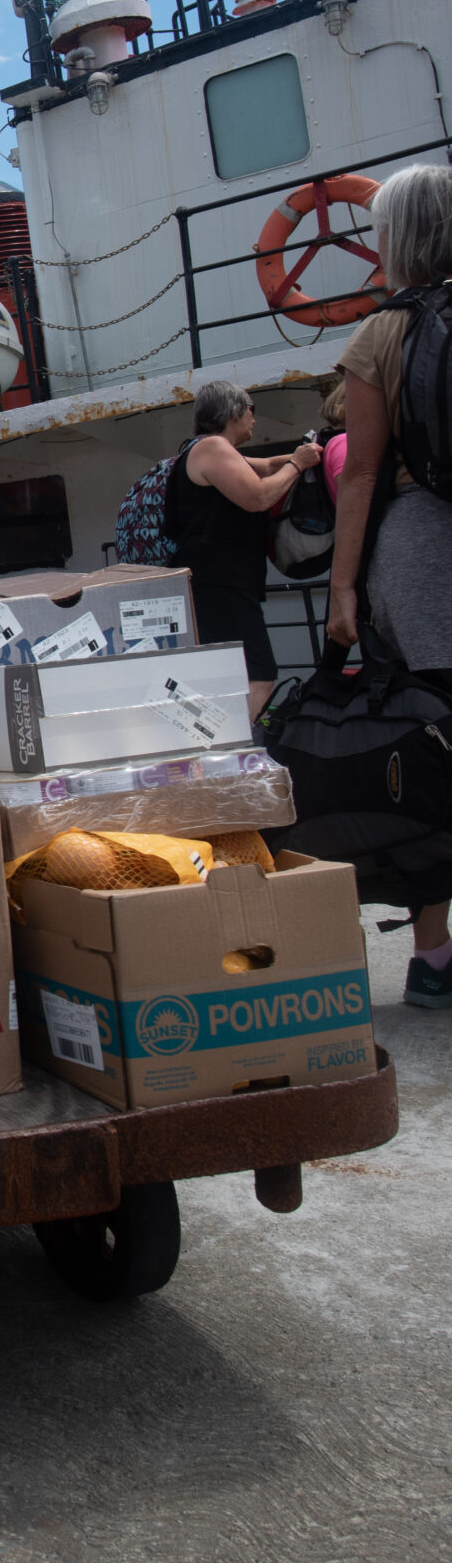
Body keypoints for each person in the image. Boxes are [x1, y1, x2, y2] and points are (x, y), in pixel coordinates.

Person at [327, 163, 452, 1007]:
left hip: (419, 552)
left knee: (431, 750)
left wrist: (343, 591)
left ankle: (435, 960)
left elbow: (361, 475)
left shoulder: (382, 335)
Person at [164, 380, 321, 721]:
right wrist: (297, 466)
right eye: (252, 409)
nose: (254, 417)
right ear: (235, 410)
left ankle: (223, 746)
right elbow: (259, 497)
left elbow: (263, 467)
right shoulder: (214, 449)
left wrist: (305, 455)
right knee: (259, 676)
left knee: (230, 676)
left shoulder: (206, 448)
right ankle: (234, 750)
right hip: (219, 581)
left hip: (216, 580)